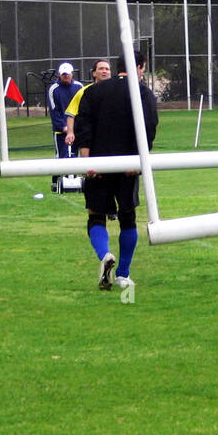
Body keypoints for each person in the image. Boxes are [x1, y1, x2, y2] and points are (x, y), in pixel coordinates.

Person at [75, 52, 158, 292]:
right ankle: (123, 274)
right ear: (140, 67)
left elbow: (84, 125)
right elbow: (150, 126)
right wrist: (139, 160)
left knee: (96, 216)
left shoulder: (93, 91)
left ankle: (105, 254)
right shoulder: (142, 93)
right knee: (128, 217)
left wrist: (86, 160)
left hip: (97, 165)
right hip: (128, 166)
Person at [47, 63, 83, 183]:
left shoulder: (79, 87)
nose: (66, 76)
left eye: (68, 74)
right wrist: (64, 127)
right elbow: (54, 111)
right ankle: (57, 181)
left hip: (76, 128)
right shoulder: (54, 89)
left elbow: (82, 108)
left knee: (73, 154)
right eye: (63, 74)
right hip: (60, 130)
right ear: (59, 74)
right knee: (61, 155)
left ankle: (71, 179)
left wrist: (74, 128)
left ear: (72, 74)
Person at [63, 59, 111, 150]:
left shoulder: (115, 91)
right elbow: (70, 114)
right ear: (94, 73)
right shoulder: (84, 92)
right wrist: (70, 133)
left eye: (107, 69)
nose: (104, 71)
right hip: (90, 138)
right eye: (101, 69)